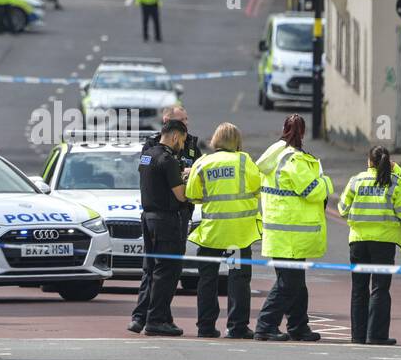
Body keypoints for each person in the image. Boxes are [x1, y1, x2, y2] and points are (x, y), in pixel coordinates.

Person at [254, 114, 332, 342]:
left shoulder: (275, 157)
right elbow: (313, 191)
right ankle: (265, 325)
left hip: (282, 234)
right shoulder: (293, 161)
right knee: (289, 284)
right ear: (303, 132)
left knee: (296, 284)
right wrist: (326, 181)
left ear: (283, 129)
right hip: (290, 236)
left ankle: (298, 326)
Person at [337, 146, 401, 345]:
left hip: (358, 242)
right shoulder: (395, 183)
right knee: (380, 289)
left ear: (369, 161)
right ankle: (376, 335)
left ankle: (358, 336)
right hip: (384, 244)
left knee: (358, 289)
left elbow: (342, 209)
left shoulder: (356, 181)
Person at [183, 123, 261, 339]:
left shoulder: (203, 163)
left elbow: (193, 195)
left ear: (215, 140)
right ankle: (237, 326)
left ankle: (206, 326)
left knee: (207, 279)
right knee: (238, 279)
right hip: (238, 235)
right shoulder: (245, 161)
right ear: (237, 141)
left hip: (211, 234)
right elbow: (256, 189)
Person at [130, 118, 190, 336]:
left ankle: (150, 316)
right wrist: (188, 180)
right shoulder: (168, 160)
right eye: (182, 141)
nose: (182, 146)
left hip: (148, 218)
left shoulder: (147, 156)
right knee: (167, 272)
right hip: (166, 220)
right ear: (175, 136)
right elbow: (181, 195)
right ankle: (156, 320)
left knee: (152, 270)